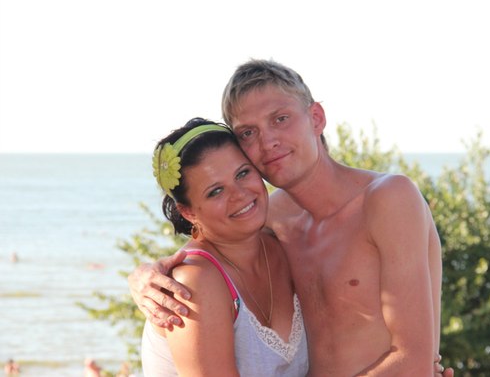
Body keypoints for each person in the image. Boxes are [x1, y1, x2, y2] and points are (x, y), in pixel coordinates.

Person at [129, 59, 453, 376]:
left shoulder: (388, 200)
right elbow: (208, 253)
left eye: (280, 119)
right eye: (248, 133)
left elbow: (414, 361)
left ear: (316, 118)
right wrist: (145, 277)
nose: (268, 141)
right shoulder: (271, 219)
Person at [140, 118, 308, 376]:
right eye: (216, 191)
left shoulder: (284, 246)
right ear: (188, 212)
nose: (239, 194)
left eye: (242, 173)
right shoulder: (194, 281)